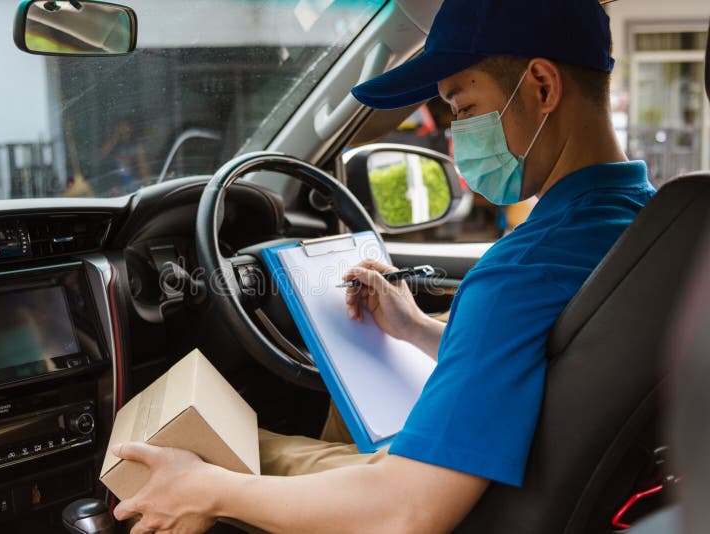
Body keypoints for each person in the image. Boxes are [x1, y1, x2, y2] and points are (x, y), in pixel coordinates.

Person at [110, 0, 657, 532]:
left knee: (185, 451)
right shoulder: (643, 224)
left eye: (463, 107)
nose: (455, 132)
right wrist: (416, 328)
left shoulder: (525, 268)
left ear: (542, 86)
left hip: (460, 501)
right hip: (542, 486)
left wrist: (208, 490)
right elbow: (554, 360)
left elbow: (407, 511)